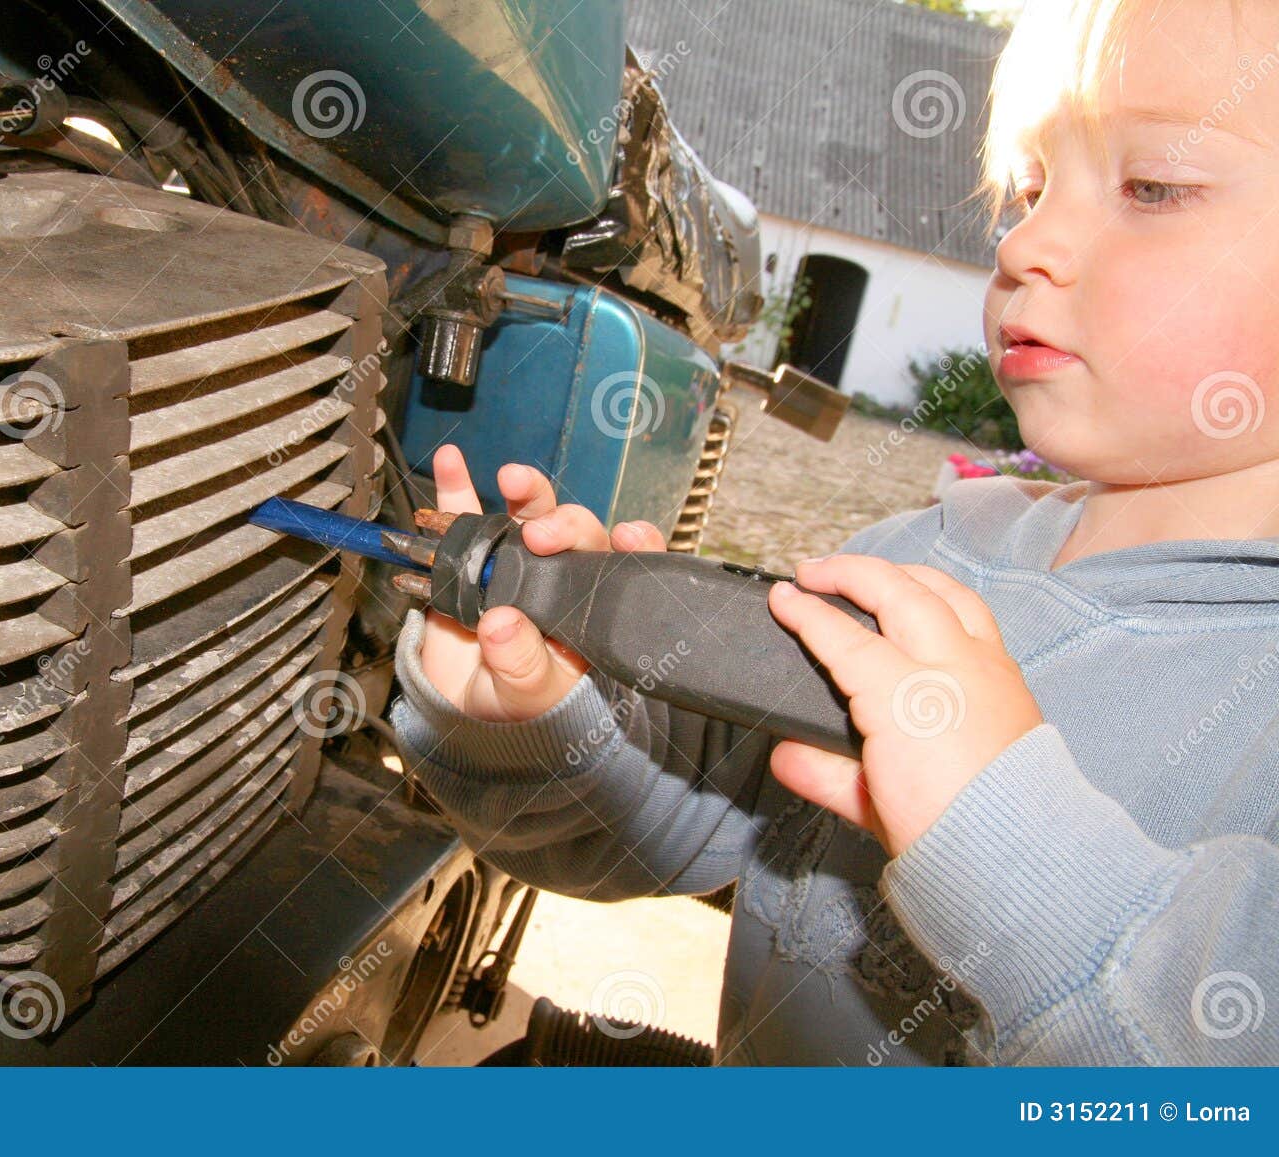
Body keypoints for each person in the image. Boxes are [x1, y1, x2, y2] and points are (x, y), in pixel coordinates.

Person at [389, 0, 1279, 1065]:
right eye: (1031, 189)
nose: (1024, 242)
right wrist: (534, 713)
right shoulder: (913, 557)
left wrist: (1004, 844)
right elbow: (672, 827)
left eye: (1153, 187)